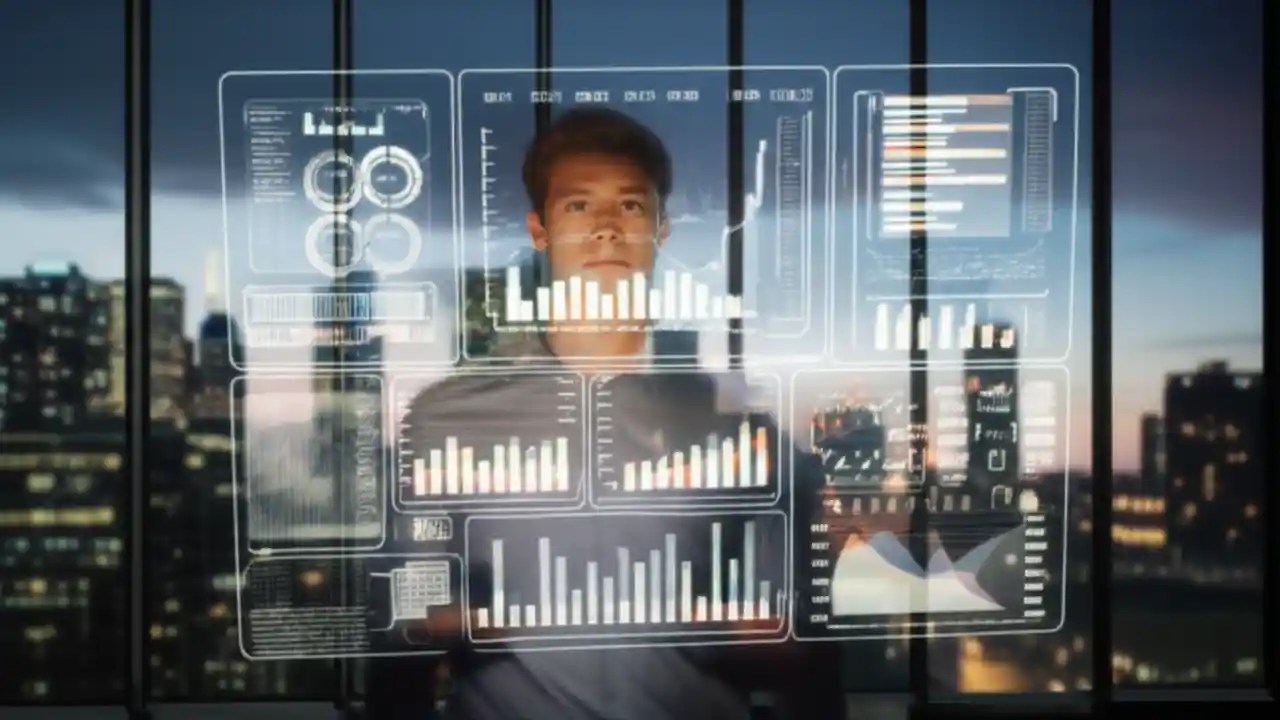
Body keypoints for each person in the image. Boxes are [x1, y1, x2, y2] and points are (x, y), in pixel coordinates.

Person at [365, 107, 841, 720]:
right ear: (540, 230)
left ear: (661, 228)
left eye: (631, 207)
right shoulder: (448, 417)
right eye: (579, 206)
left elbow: (805, 652)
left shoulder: (738, 432)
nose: (608, 229)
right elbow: (401, 638)